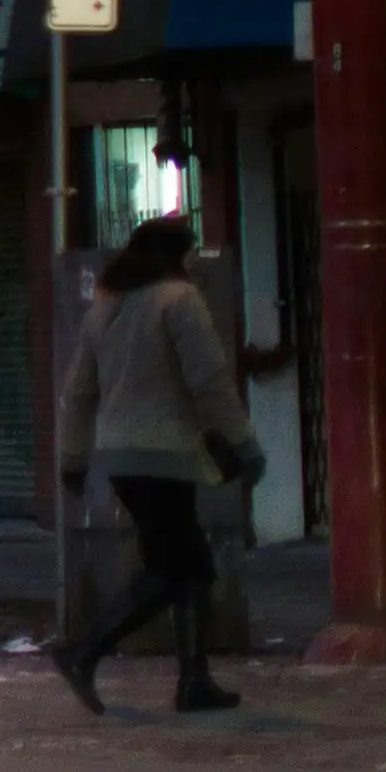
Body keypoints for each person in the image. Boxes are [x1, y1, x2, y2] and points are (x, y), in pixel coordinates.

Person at [50, 212, 261, 715]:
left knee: (190, 567)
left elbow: (78, 393)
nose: (192, 262)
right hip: (166, 455)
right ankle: (83, 651)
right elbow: (208, 380)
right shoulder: (180, 300)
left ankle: (194, 682)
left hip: (121, 458)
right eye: (187, 252)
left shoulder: (105, 308)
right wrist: (244, 443)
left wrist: (73, 459)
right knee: (174, 569)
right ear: (174, 256)